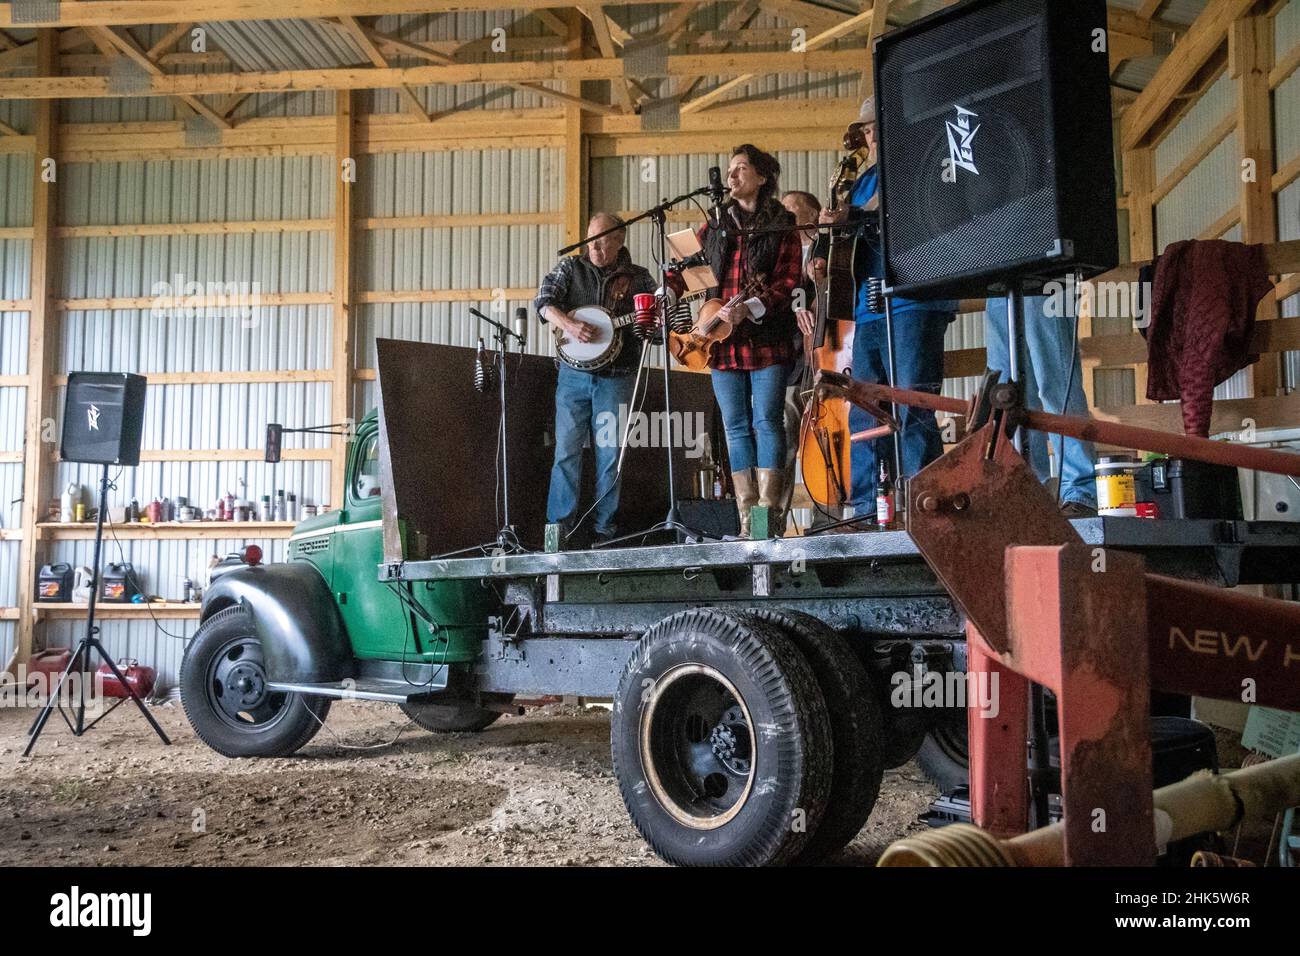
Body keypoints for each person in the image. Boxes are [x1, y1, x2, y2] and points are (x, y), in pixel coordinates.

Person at [807, 97, 957, 520]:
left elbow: (903, 212)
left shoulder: (922, 167)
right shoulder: (861, 182)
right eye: (867, 130)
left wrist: (849, 216)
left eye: (876, 127)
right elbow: (846, 240)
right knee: (864, 411)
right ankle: (865, 506)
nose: (871, 136)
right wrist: (821, 255)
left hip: (914, 301)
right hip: (868, 309)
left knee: (913, 406)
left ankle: (924, 507)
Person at [693, 145, 805, 537]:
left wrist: (750, 307)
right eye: (730, 169)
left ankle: (768, 516)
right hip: (721, 343)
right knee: (735, 427)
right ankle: (746, 521)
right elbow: (694, 273)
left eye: (742, 169)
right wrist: (669, 289)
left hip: (768, 338)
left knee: (768, 422)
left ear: (762, 177)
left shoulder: (783, 223)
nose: (733, 176)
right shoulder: (715, 227)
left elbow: (790, 282)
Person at [535, 213, 656, 545]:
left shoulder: (639, 279)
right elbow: (544, 302)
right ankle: (558, 530)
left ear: (620, 241)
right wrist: (570, 325)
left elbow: (653, 332)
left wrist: (648, 323)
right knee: (566, 452)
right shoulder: (570, 269)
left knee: (609, 456)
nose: (595, 247)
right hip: (572, 377)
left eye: (604, 241)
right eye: (591, 239)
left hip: (617, 377)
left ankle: (603, 531)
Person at [985, 294, 1098, 516]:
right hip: (995, 282)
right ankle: (1029, 493)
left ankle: (1081, 492)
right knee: (1008, 397)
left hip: (1044, 281)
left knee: (1056, 386)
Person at [779, 189, 824, 527]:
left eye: (792, 212)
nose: (785, 217)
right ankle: (771, 522)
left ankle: (829, 519)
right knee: (782, 442)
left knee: (824, 439)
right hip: (789, 359)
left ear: (813, 214)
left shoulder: (829, 247)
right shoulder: (779, 255)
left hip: (827, 356)